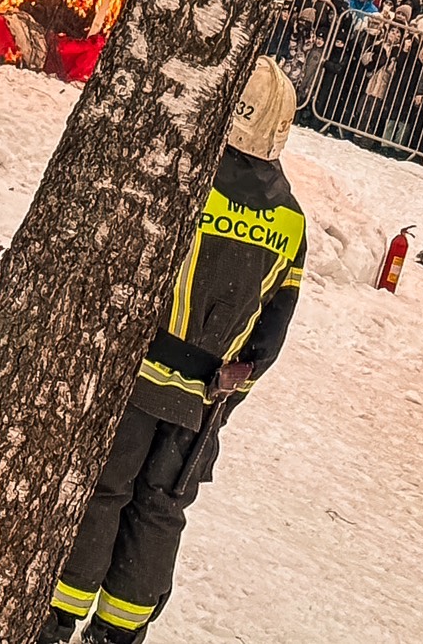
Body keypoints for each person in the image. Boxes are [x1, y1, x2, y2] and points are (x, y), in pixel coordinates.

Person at [47, 57, 307, 642]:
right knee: (160, 510)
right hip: (207, 396)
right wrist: (231, 389)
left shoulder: (189, 174)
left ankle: (60, 615)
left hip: (144, 372)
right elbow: (276, 322)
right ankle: (121, 630)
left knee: (108, 489)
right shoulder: (291, 218)